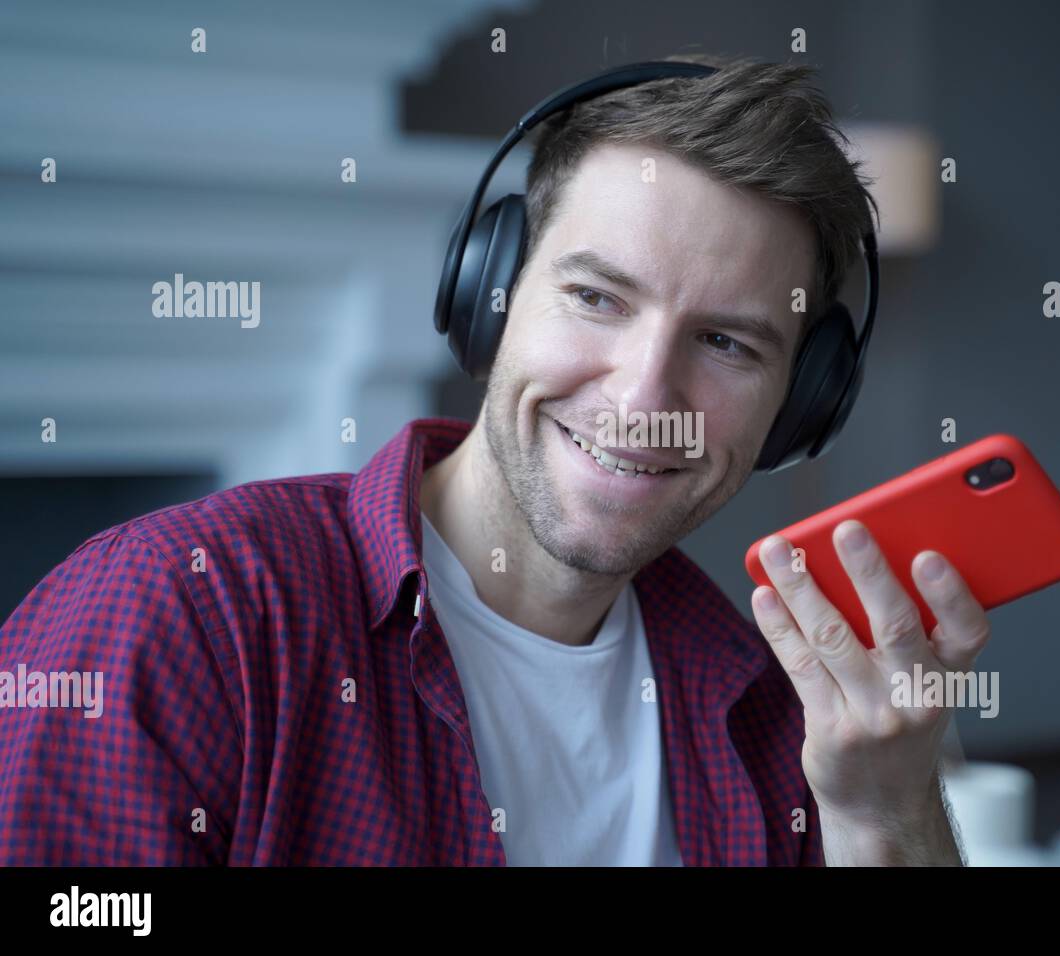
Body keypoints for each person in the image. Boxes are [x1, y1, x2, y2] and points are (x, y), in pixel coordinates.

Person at [0, 53, 990, 866]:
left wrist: (886, 814)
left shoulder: (776, 714)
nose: (644, 395)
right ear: (490, 294)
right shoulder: (177, 612)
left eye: (726, 342)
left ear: (798, 406)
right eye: (597, 297)